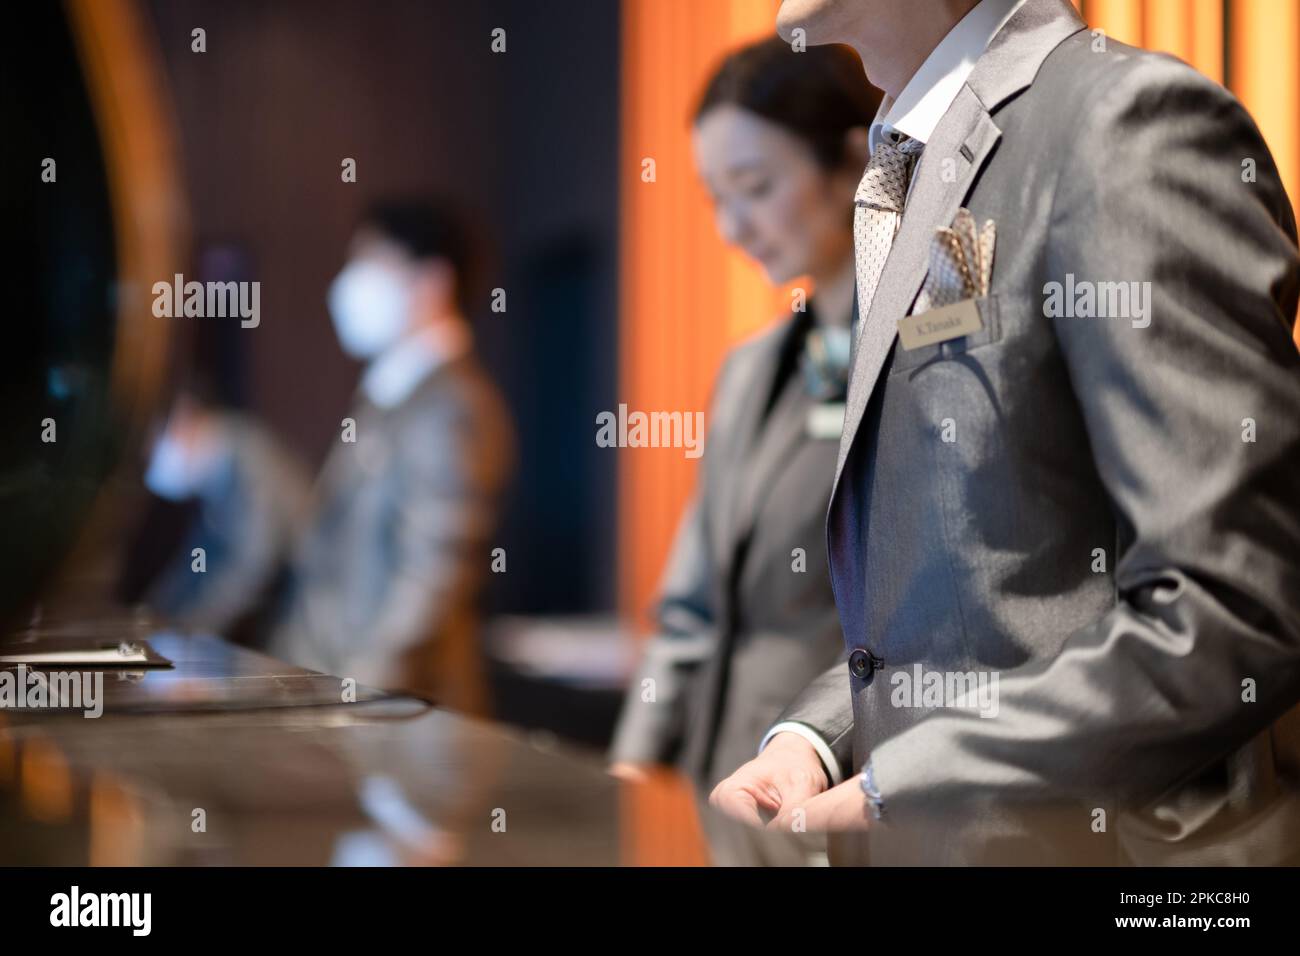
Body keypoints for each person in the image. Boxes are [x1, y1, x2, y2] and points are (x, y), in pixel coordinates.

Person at [711, 0, 1300, 865]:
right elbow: (980, 592)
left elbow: (1234, 605)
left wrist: (901, 785)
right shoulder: (915, 164)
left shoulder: (1124, 125)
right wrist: (820, 738)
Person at [609, 38, 880, 865]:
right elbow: (688, 613)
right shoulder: (750, 369)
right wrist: (632, 767)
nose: (733, 228)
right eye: (715, 198)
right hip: (713, 792)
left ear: (850, 161)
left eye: (756, 188)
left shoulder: (925, 348)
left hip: (836, 793)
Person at [267, 198, 515, 717]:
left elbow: (434, 575)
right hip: (350, 704)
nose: (351, 283)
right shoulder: (393, 395)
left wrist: (360, 695)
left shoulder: (450, 404)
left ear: (432, 280)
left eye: (372, 262)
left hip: (397, 718)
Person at [127, 384, 311, 640]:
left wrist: (188, 627)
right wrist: (148, 616)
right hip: (284, 611)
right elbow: (197, 560)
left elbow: (250, 566)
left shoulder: (249, 460)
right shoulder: (217, 474)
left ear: (185, 418)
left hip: (305, 611)